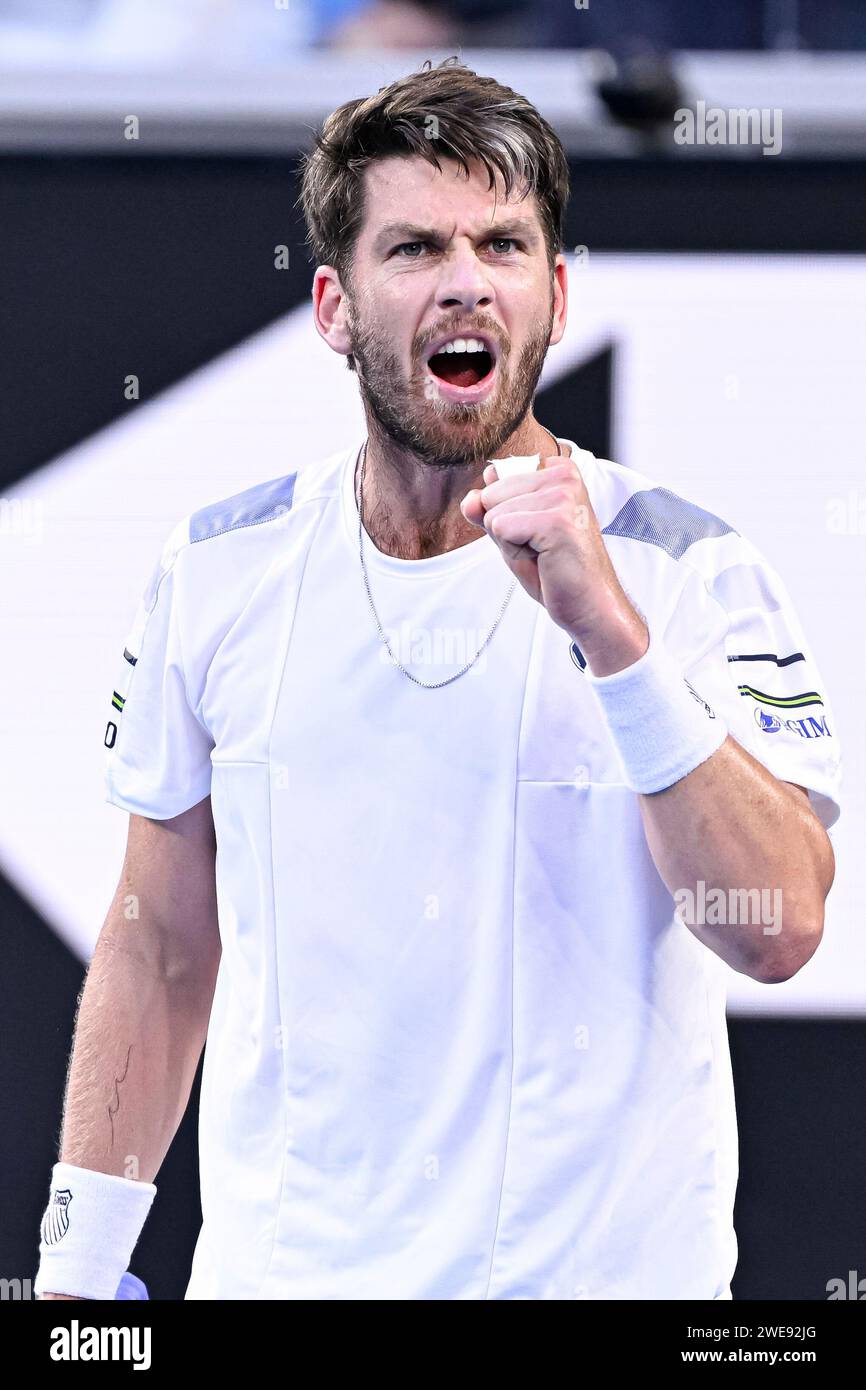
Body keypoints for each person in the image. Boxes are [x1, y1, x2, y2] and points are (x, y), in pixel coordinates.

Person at [36, 56, 840, 1301]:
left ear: (555, 296)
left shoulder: (685, 570)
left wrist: (611, 636)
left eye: (503, 245)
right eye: (414, 248)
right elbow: (159, 949)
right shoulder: (215, 572)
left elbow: (779, 927)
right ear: (333, 308)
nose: (466, 280)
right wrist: (77, 1280)